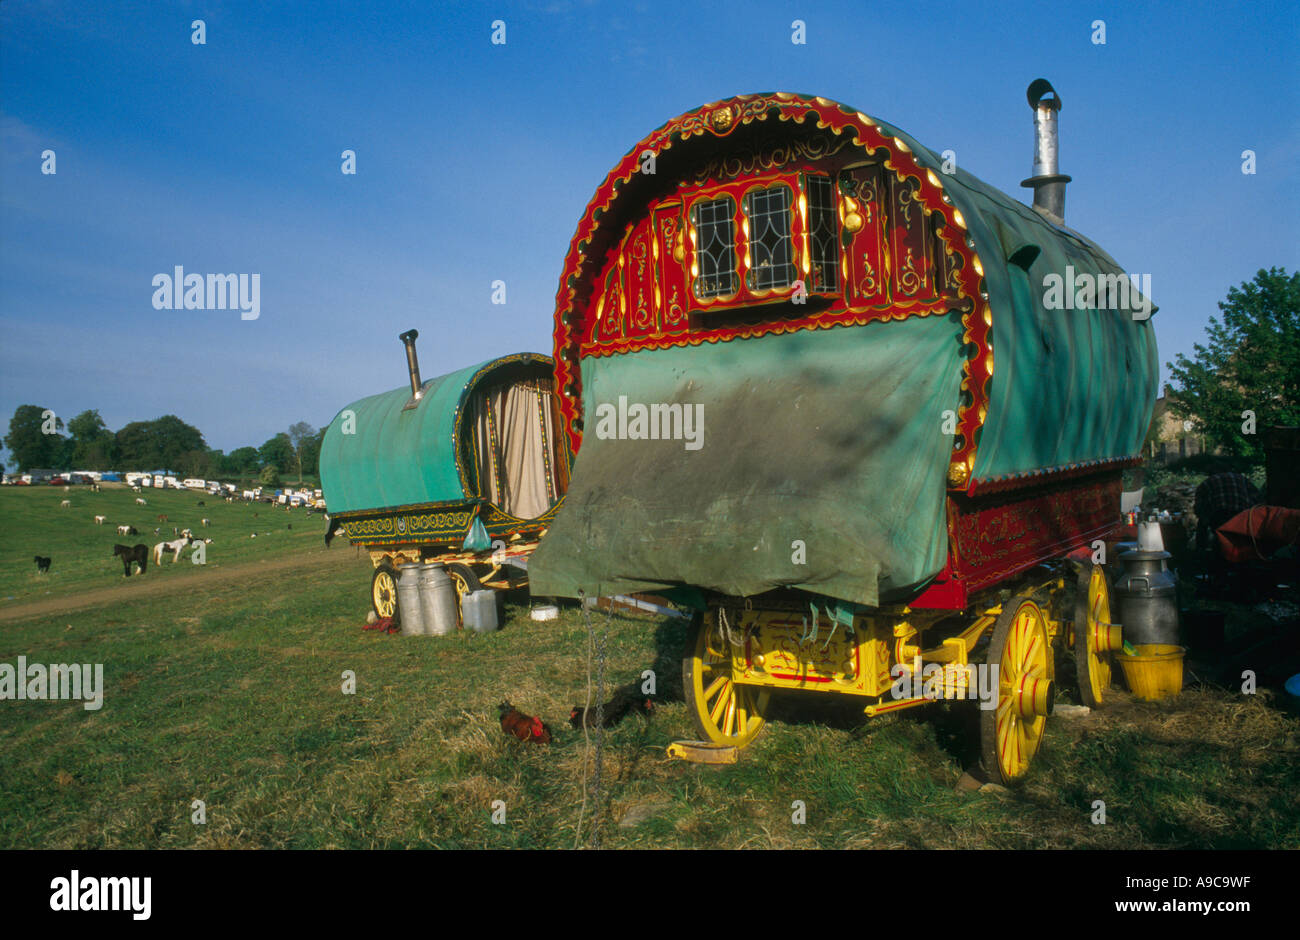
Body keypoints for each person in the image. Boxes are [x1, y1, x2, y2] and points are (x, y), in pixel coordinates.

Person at [1194, 472, 1261, 551]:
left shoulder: (1206, 483)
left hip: (1220, 516)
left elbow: (1199, 508)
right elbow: (1257, 498)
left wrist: (1205, 522)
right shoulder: (1241, 478)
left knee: (1210, 529)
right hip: (1242, 515)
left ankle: (1202, 550)